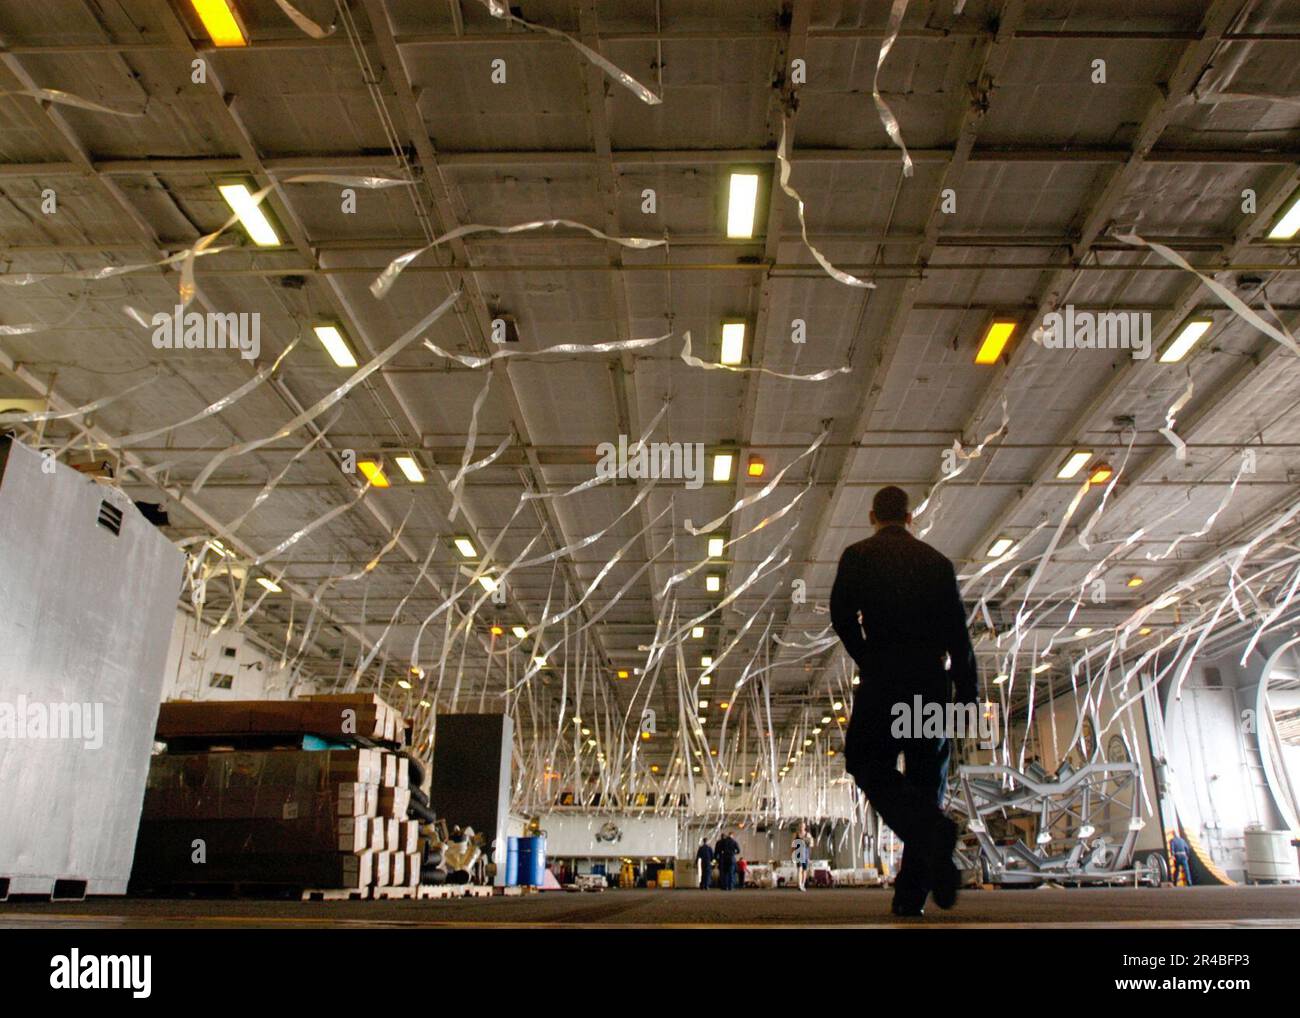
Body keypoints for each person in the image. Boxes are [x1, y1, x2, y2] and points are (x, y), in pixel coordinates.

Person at [830, 485, 978, 917]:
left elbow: (840, 616)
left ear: (873, 516)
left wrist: (867, 656)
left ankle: (931, 832)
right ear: (911, 519)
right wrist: (966, 692)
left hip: (884, 678)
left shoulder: (857, 556)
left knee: (865, 762)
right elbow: (959, 633)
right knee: (926, 782)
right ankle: (911, 895)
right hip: (930, 681)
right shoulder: (937, 563)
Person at [791, 823, 811, 891]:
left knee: (804, 870)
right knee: (799, 869)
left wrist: (807, 841)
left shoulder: (808, 834)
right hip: (798, 854)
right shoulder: (795, 834)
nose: (801, 827)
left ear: (804, 827)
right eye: (800, 826)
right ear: (799, 827)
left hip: (806, 854)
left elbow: (811, 845)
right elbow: (793, 845)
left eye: (802, 826)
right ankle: (799, 884)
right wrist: (792, 854)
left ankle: (803, 884)